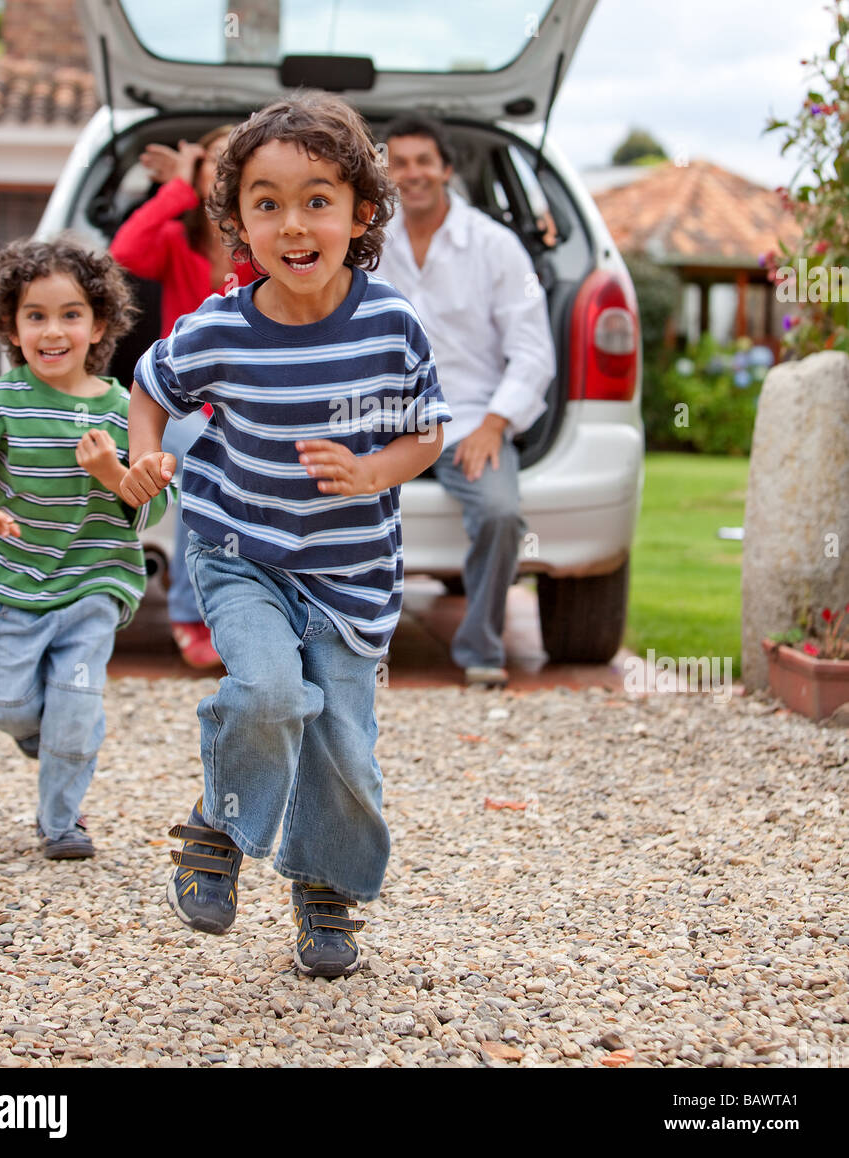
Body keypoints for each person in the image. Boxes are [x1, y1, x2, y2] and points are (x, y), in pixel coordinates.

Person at [120, 92, 450, 978]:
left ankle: (324, 891)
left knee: (343, 747)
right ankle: (221, 824)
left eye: (316, 200)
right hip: (242, 556)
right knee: (266, 692)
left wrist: (375, 471)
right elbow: (149, 386)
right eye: (265, 203)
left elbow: (427, 431)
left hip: (349, 579)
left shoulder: (392, 327)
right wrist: (148, 456)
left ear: (361, 213)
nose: (292, 223)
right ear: (237, 223)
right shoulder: (221, 328)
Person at [0, 239, 171, 859]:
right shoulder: (0, 402)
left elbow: (155, 506)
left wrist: (114, 475)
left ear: (99, 324)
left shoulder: (121, 409)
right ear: (11, 326)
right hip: (10, 587)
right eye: (35, 315)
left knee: (76, 704)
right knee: (8, 707)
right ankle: (42, 728)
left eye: (69, 314)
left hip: (92, 585)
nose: (52, 331)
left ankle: (61, 822)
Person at [376, 115, 556, 688]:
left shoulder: (496, 247)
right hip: (380, 420)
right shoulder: (367, 241)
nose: (412, 174)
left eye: (424, 161)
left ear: (447, 169)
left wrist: (496, 425)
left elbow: (533, 349)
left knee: (502, 513)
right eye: (398, 163)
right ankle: (341, 640)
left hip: (470, 420)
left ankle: (481, 643)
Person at [109, 126, 257, 669]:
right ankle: (188, 615)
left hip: (246, 401)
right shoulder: (175, 239)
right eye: (211, 162)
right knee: (202, 458)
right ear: (196, 174)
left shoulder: (261, 242)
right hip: (182, 403)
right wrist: (177, 189)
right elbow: (123, 251)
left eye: (231, 163)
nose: (222, 173)